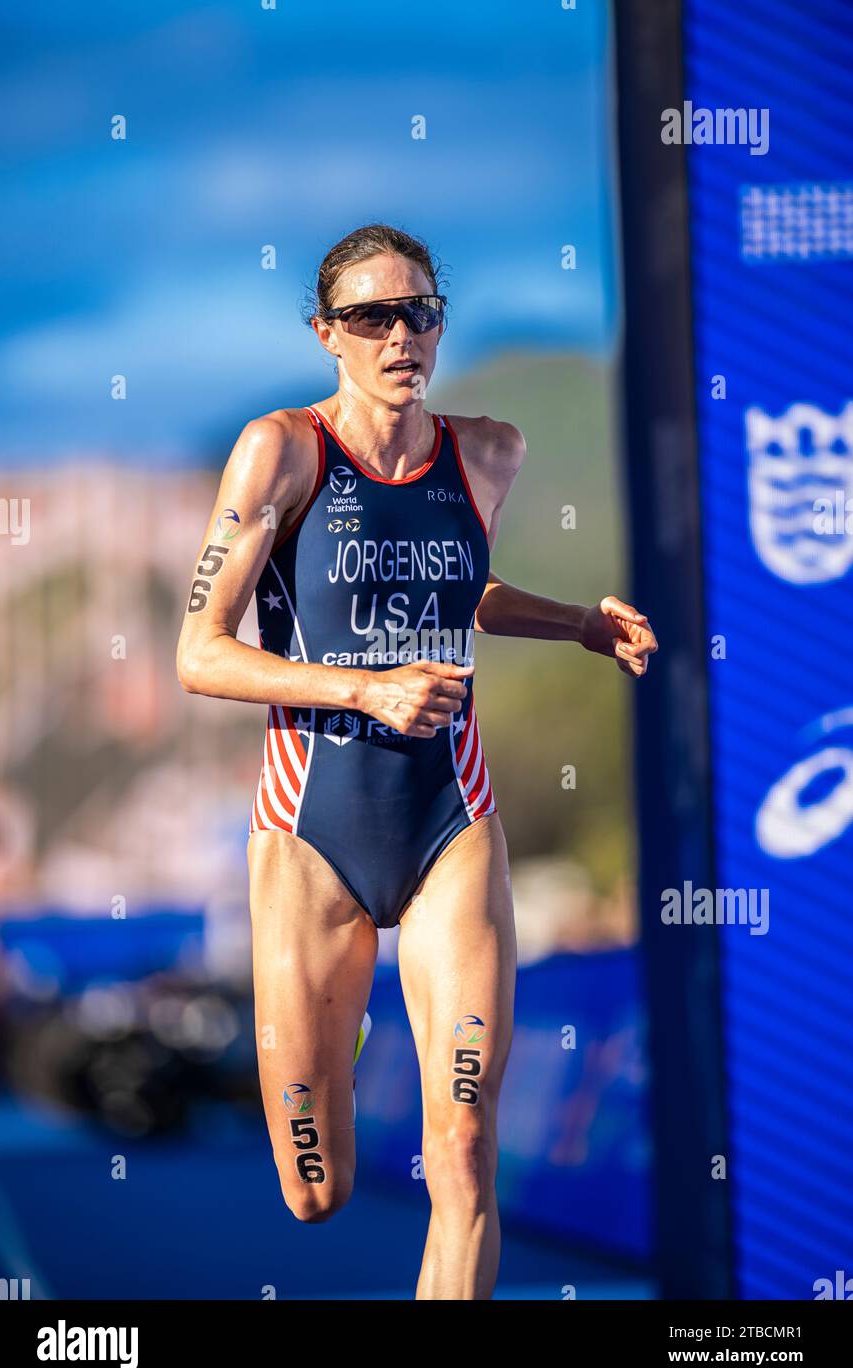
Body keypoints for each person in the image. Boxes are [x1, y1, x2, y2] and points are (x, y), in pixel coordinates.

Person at [175, 223, 657, 1300]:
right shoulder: (283, 450)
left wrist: (577, 622)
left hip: (450, 819)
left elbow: (459, 588)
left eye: (419, 313)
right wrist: (365, 685)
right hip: (313, 837)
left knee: (465, 1153)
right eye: (371, 317)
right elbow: (197, 653)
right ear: (326, 334)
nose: (400, 335)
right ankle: (332, 1041)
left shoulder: (488, 451)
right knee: (317, 1190)